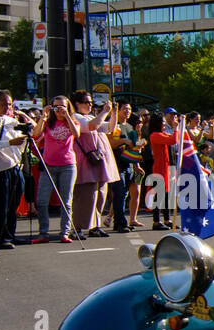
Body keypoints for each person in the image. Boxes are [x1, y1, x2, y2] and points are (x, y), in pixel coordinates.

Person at [30, 95, 82, 243]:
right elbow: (36, 133)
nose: (59, 109)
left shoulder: (73, 121)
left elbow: (76, 134)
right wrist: (43, 116)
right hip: (48, 165)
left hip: (67, 165)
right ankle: (43, 233)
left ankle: (64, 232)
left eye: (62, 106)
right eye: (56, 106)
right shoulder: (48, 122)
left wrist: (67, 116)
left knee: (66, 201)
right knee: (41, 200)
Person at [69, 90, 116, 239]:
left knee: (100, 195)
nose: (90, 105)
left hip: (97, 162)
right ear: (77, 104)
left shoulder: (89, 116)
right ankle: (77, 228)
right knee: (85, 196)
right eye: (86, 102)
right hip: (84, 162)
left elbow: (109, 128)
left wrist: (113, 113)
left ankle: (95, 226)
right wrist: (104, 112)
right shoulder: (75, 117)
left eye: (90, 102)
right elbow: (92, 126)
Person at [0, 90, 31, 252]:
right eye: (4, 103)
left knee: (13, 203)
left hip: (16, 167)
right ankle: (0, 236)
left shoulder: (11, 120)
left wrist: (28, 121)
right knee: (1, 205)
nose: (7, 107)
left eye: (9, 104)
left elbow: (33, 132)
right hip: (0, 169)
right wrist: (9, 142)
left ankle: (10, 234)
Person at [105, 100, 136, 233]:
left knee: (124, 194)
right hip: (116, 163)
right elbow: (111, 143)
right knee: (118, 193)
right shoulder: (114, 126)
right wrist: (123, 141)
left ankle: (121, 221)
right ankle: (119, 223)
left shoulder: (129, 126)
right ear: (117, 111)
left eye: (129, 109)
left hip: (127, 163)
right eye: (125, 109)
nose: (127, 112)